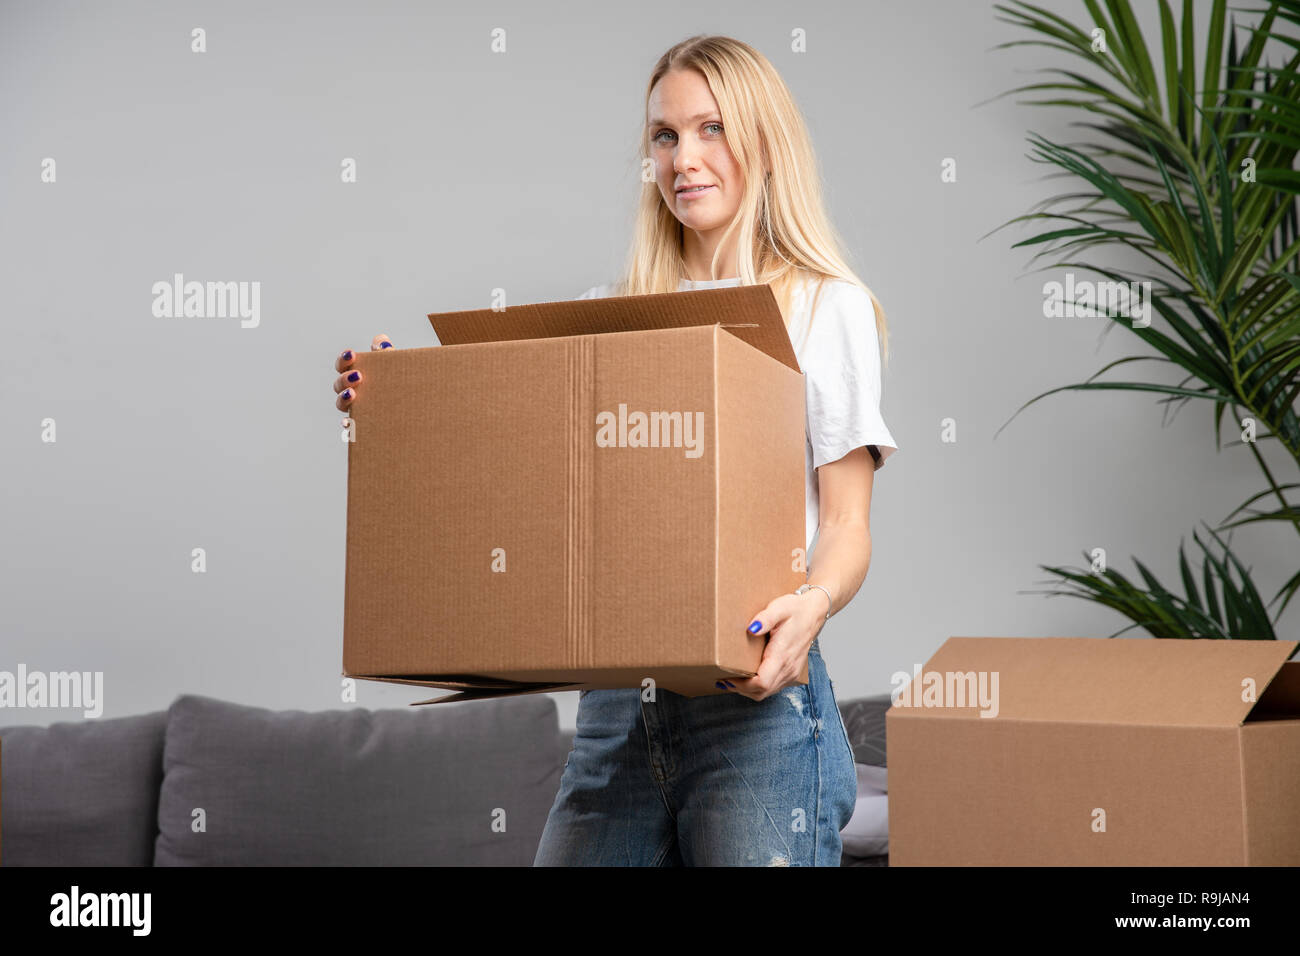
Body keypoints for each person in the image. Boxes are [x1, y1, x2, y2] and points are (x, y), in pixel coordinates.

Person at [332, 34, 898, 866]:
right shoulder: (616, 312)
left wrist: (810, 608)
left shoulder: (824, 306)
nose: (683, 159)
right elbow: (522, 488)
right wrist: (394, 408)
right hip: (614, 712)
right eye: (665, 137)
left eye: (711, 130)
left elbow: (848, 522)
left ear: (765, 142)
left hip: (755, 706)